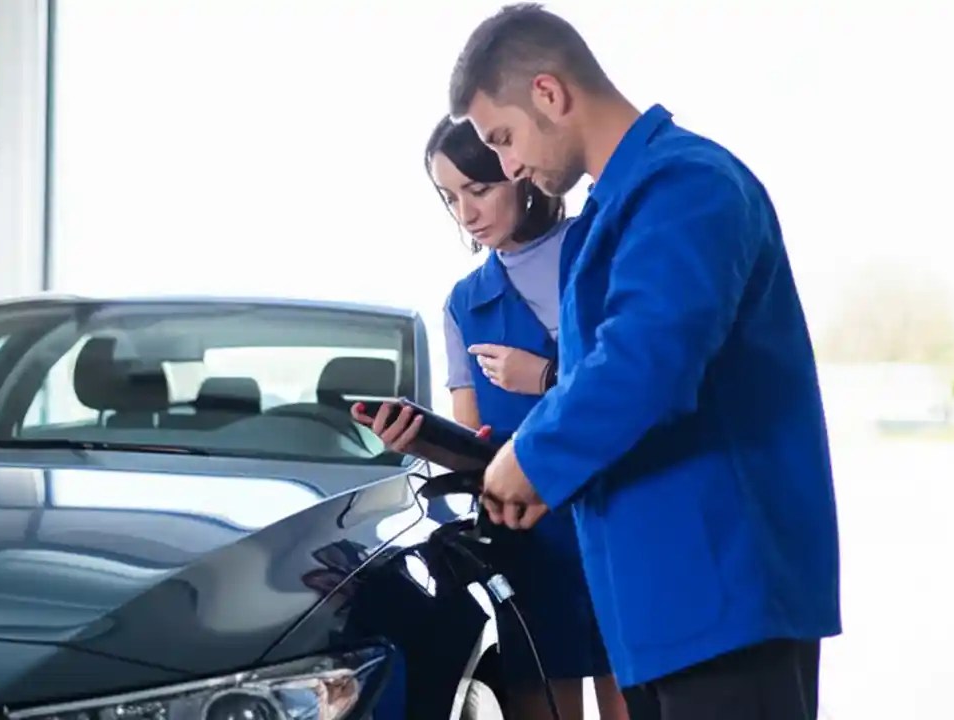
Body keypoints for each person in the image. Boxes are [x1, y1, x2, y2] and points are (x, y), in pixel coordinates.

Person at [442, 4, 842, 720]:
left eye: (502, 139)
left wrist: (530, 456)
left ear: (549, 93)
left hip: (724, 596)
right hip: (658, 602)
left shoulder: (687, 187)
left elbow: (646, 361)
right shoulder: (613, 212)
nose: (506, 168)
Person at [349, 114, 630, 720]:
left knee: (633, 699)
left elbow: (644, 382)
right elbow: (477, 447)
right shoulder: (463, 303)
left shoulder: (604, 251)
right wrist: (425, 441)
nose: (466, 214)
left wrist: (544, 377)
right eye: (451, 199)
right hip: (527, 540)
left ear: (520, 170)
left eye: (478, 190)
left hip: (623, 520)